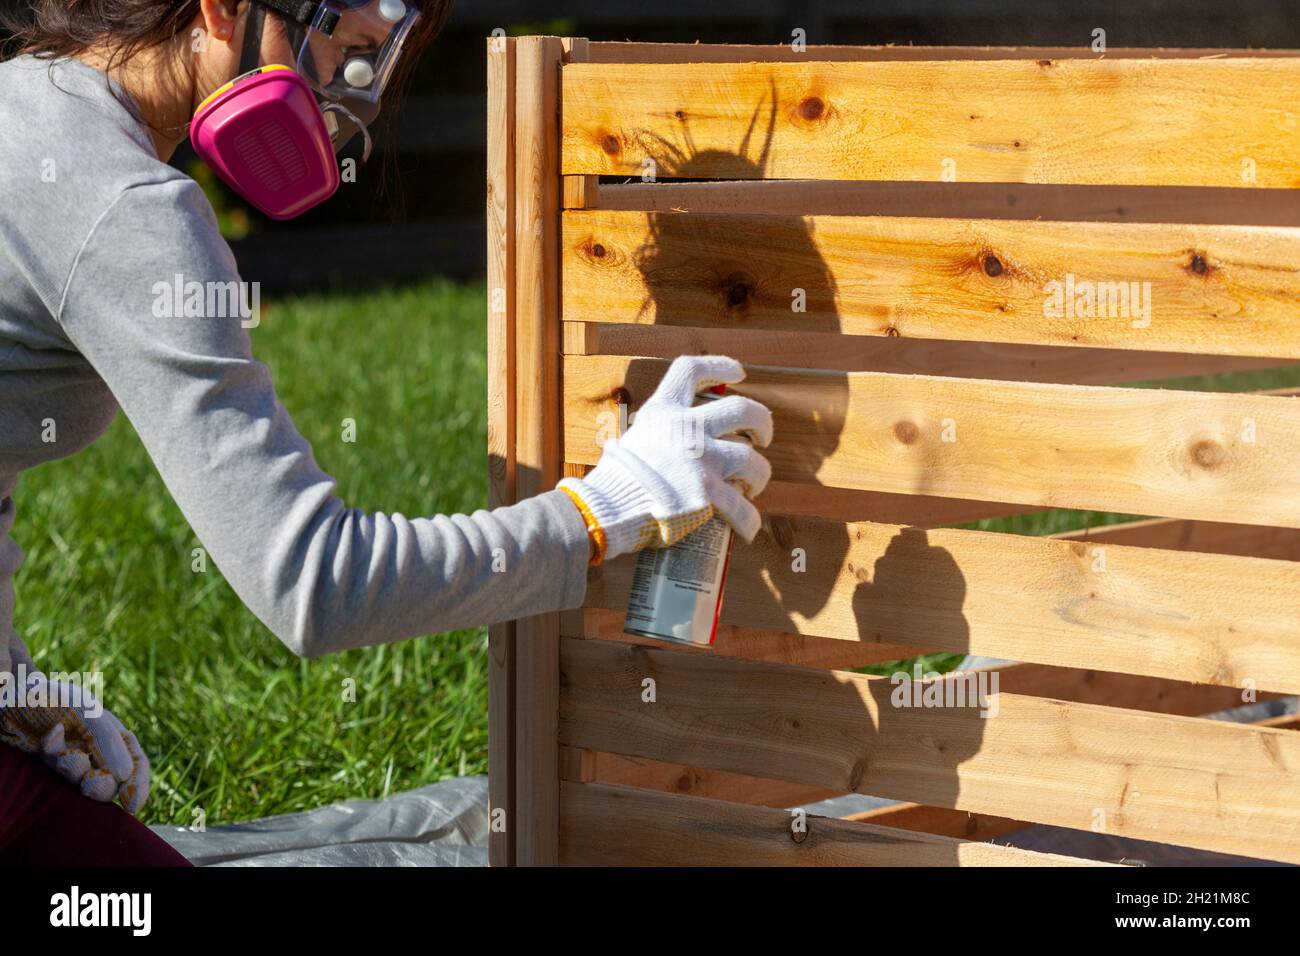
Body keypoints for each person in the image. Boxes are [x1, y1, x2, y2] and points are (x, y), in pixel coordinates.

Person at [0, 0, 773, 865]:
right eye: (341, 49)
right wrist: (601, 515)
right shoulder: (125, 209)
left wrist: (12, 686)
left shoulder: (26, 104)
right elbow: (313, 582)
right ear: (221, 9)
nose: (338, 99)